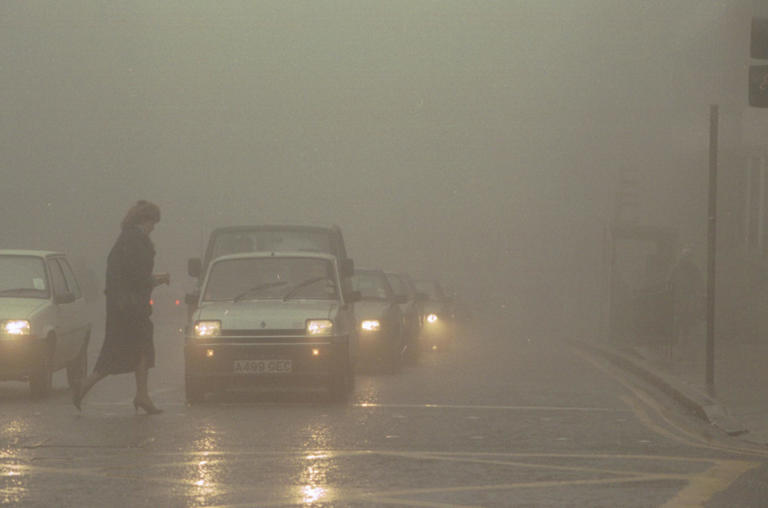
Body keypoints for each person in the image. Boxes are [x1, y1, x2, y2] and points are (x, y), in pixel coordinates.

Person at [73, 200, 170, 414]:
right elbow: (136, 277)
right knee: (122, 351)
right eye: (152, 222)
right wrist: (157, 279)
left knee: (135, 350)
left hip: (124, 306)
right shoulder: (135, 241)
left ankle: (142, 395)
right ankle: (85, 385)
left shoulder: (127, 239)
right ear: (144, 220)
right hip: (130, 308)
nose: (153, 227)